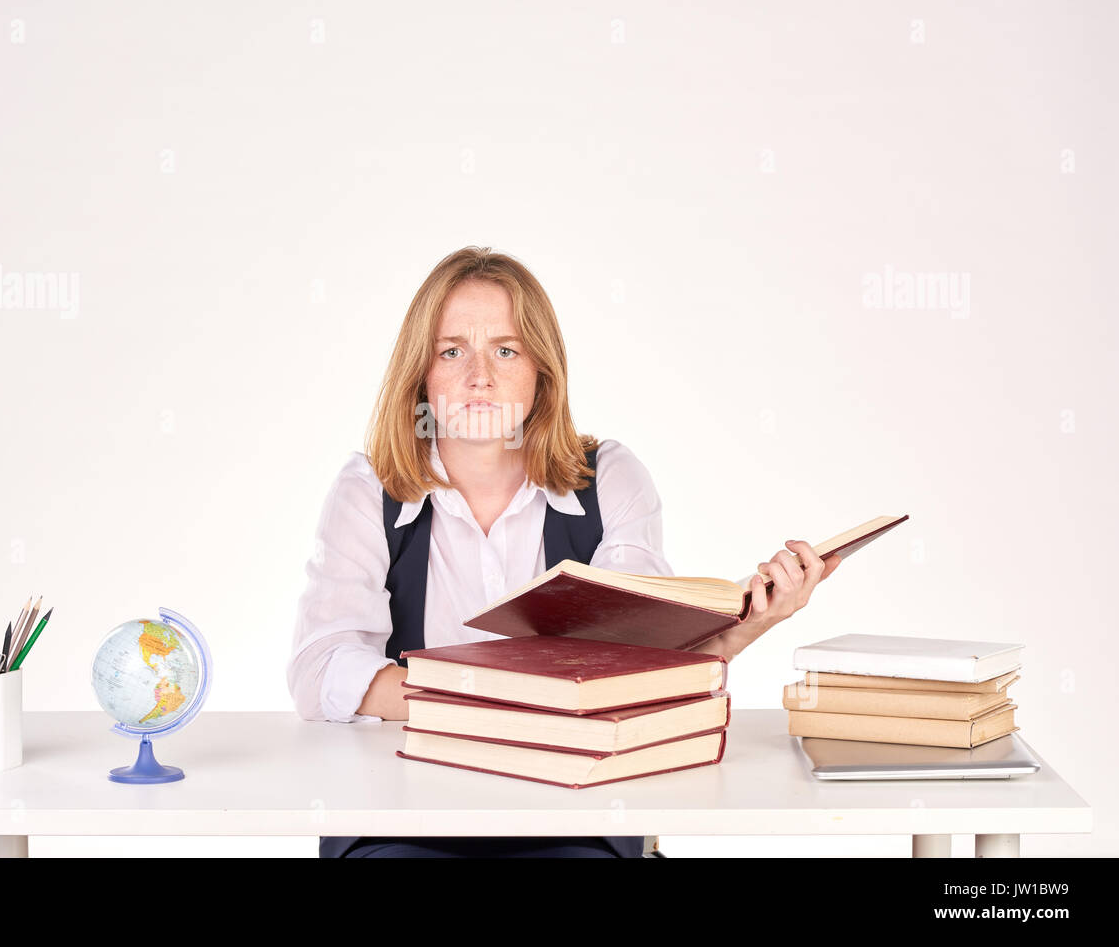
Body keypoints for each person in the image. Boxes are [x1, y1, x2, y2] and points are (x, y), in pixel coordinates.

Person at [285, 246, 840, 857]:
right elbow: (320, 671)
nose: (479, 377)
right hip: (403, 815)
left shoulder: (609, 478)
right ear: (422, 374)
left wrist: (745, 625)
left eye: (505, 349)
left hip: (579, 815)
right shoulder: (371, 487)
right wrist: (504, 706)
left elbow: (640, 669)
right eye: (451, 351)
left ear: (541, 370)